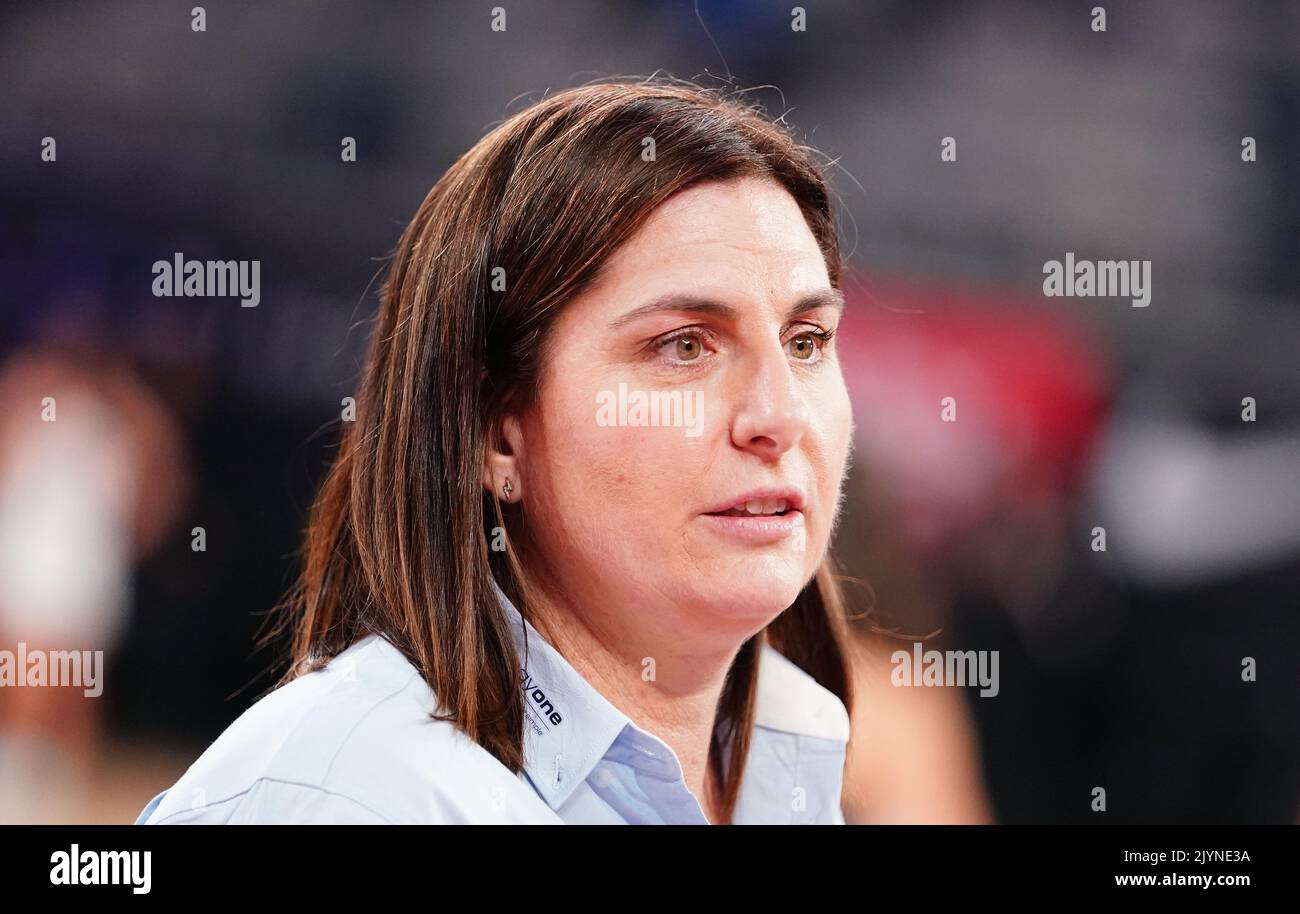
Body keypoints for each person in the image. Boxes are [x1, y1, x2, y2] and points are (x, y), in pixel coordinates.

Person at [135, 77, 857, 824]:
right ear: (496, 432)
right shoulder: (338, 801)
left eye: (807, 342)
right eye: (683, 346)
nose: (780, 415)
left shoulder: (795, 764)